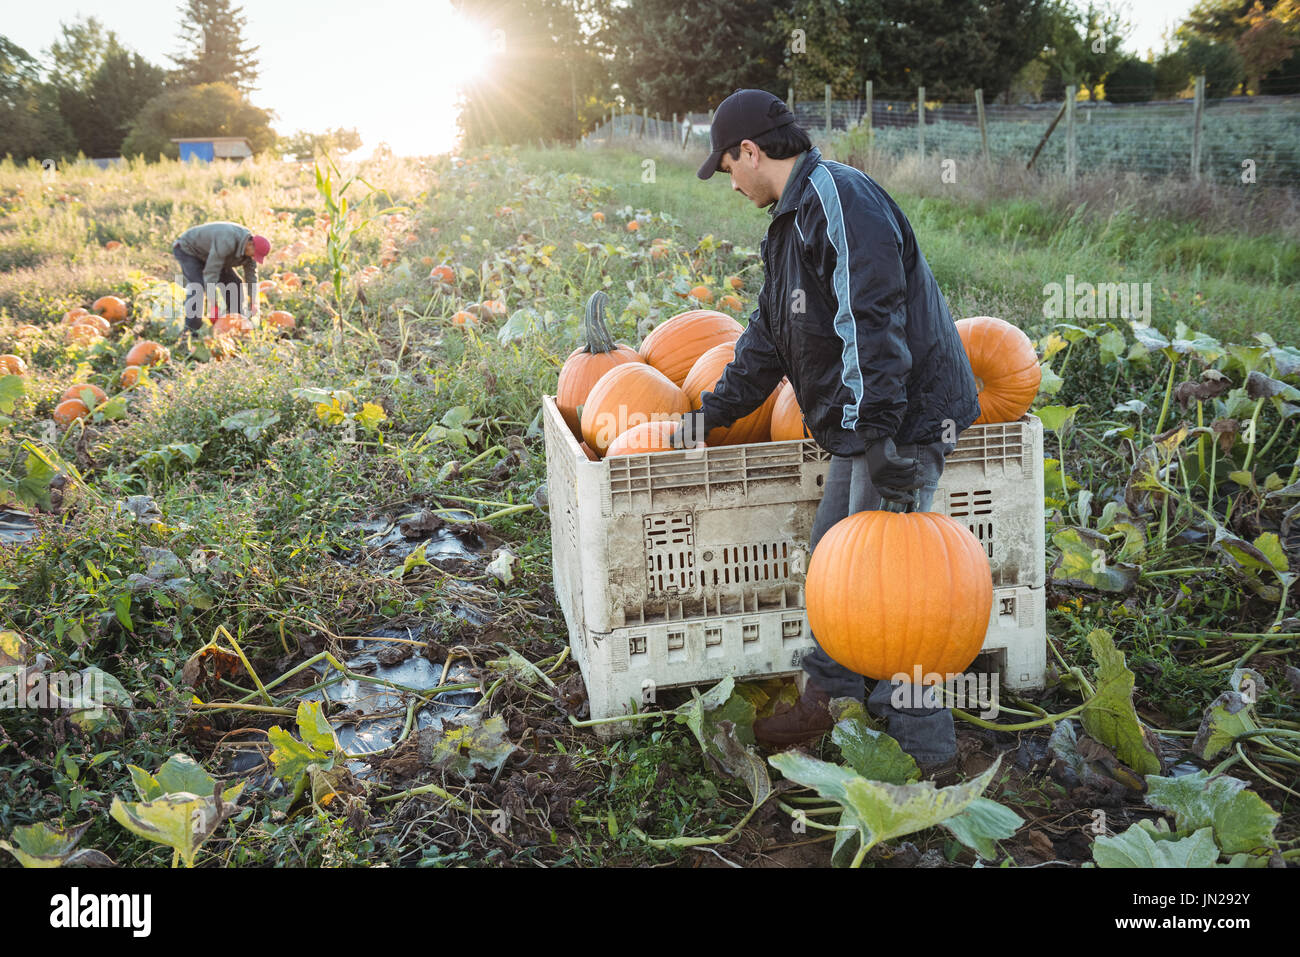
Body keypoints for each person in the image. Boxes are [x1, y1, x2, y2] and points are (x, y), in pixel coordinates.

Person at [675, 89, 982, 775]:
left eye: (728, 165)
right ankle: (833, 696)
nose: (730, 181)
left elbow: (870, 321)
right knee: (833, 562)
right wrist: (712, 413)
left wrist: (878, 439)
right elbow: (767, 338)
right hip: (867, 420)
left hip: (904, 412)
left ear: (752, 151)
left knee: (901, 591)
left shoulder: (839, 201)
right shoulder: (790, 226)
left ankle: (922, 750)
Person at [172, 222, 270, 334]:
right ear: (250, 244)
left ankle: (237, 323)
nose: (254, 257)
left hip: (211, 254)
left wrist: (254, 302)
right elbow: (211, 273)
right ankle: (190, 331)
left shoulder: (250, 252)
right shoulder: (227, 241)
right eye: (255, 254)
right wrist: (213, 304)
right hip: (188, 249)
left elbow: (251, 277)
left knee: (235, 283)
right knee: (198, 287)